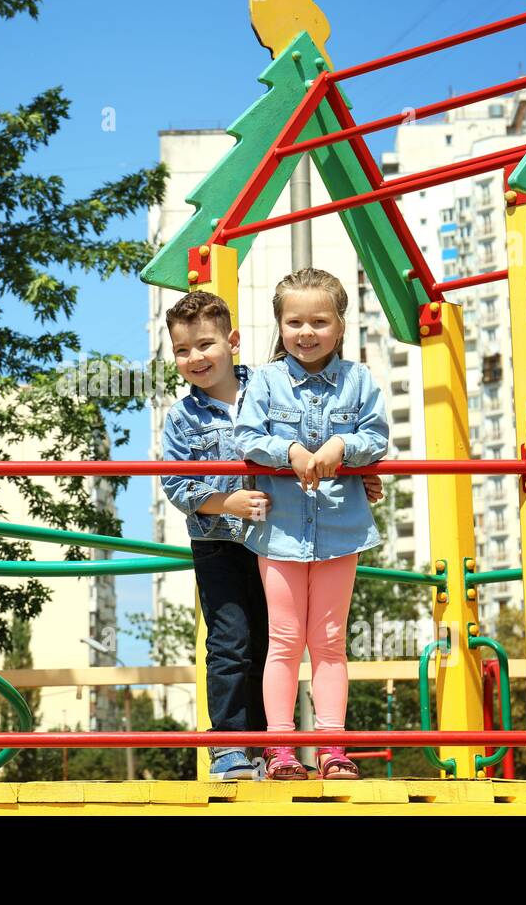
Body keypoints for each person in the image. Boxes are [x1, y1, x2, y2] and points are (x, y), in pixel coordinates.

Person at [160, 289, 383, 780]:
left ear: (233, 342)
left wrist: (358, 472)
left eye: (205, 345)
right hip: (220, 538)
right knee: (231, 641)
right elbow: (176, 483)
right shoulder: (181, 417)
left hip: (278, 533)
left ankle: (270, 745)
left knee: (274, 639)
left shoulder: (270, 383)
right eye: (182, 350)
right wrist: (225, 501)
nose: (196, 358)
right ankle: (232, 746)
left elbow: (316, 439)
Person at [234, 268, 390, 780]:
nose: (307, 332)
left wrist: (342, 446)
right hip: (278, 529)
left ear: (340, 326)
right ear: (279, 326)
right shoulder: (265, 380)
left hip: (339, 526)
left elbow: (376, 435)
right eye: (294, 321)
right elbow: (249, 436)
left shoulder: (359, 380)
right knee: (283, 638)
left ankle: (331, 745)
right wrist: (292, 451)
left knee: (328, 639)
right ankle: (280, 748)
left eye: (319, 321)